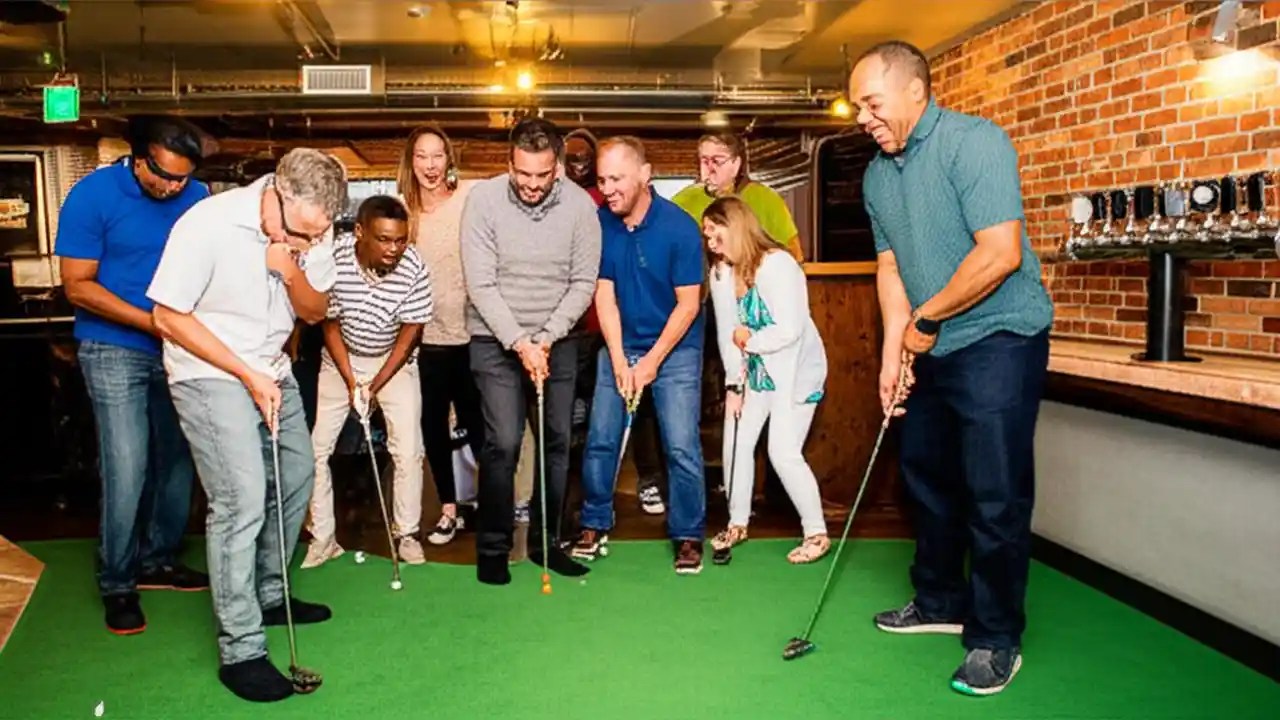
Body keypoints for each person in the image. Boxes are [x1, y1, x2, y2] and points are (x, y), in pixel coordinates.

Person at [851, 41, 1053, 697]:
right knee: (927, 475)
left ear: (915, 91)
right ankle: (939, 599)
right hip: (930, 338)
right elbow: (890, 269)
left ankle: (995, 636)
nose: (861, 116)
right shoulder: (877, 176)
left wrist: (924, 322)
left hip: (999, 335)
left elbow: (999, 254)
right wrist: (894, 351)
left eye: (871, 102)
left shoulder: (976, 144)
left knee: (993, 491)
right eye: (857, 105)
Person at [147, 148, 347, 702]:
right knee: (242, 498)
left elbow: (313, 311)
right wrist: (244, 373)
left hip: (271, 368)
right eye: (304, 231)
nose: (313, 240)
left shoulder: (314, 228)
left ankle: (270, 590)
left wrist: (290, 268)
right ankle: (241, 648)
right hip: (208, 370)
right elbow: (167, 315)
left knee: (299, 473)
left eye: (320, 232)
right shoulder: (207, 224)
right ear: (276, 193)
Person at [54, 115, 211, 636]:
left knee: (176, 460)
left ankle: (159, 561)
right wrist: (153, 322)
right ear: (138, 158)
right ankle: (118, 581)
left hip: (179, 351)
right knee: (127, 464)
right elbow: (77, 285)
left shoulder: (197, 197)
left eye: (182, 179)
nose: (172, 187)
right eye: (163, 175)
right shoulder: (92, 195)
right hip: (113, 346)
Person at [460, 117, 601, 585]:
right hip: (494, 337)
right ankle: (493, 549)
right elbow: (480, 282)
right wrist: (520, 343)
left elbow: (584, 282)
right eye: (523, 174)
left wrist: (546, 338)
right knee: (502, 442)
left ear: (557, 167)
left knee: (557, 441)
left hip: (556, 339)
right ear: (509, 163)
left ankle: (547, 544)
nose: (532, 185)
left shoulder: (581, 207)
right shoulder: (482, 200)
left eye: (543, 175)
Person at [570, 136, 707, 575]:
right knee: (601, 438)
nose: (607, 188)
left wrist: (650, 363)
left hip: (676, 346)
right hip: (621, 340)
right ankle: (594, 521)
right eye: (602, 179)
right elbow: (604, 297)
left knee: (681, 443)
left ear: (645, 176)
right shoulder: (601, 222)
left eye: (616, 179)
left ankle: (687, 533)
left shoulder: (681, 228)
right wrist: (618, 359)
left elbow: (689, 305)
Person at [302, 196, 431, 568]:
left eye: (400, 240)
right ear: (359, 232)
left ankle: (406, 533)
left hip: (394, 360)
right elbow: (330, 325)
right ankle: (323, 537)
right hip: (341, 357)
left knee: (408, 448)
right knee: (317, 449)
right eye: (384, 239)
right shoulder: (335, 259)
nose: (394, 249)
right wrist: (351, 380)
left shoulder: (414, 266)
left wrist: (373, 386)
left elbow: (410, 333)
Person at [703, 196, 830, 564]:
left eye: (715, 233)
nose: (711, 243)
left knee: (783, 452)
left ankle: (816, 532)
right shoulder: (722, 272)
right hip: (756, 371)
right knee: (737, 440)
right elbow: (728, 330)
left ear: (737, 226)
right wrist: (734, 384)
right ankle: (737, 522)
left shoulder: (780, 266)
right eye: (707, 236)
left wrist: (750, 341)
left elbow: (789, 330)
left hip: (795, 372)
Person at [398, 124, 485, 546]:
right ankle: (449, 509)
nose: (430, 166)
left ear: (449, 158)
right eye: (421, 157)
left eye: (437, 156)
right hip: (425, 339)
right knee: (433, 427)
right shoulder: (404, 211)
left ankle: (489, 502)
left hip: (472, 334)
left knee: (479, 427)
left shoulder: (471, 196)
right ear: (410, 163)